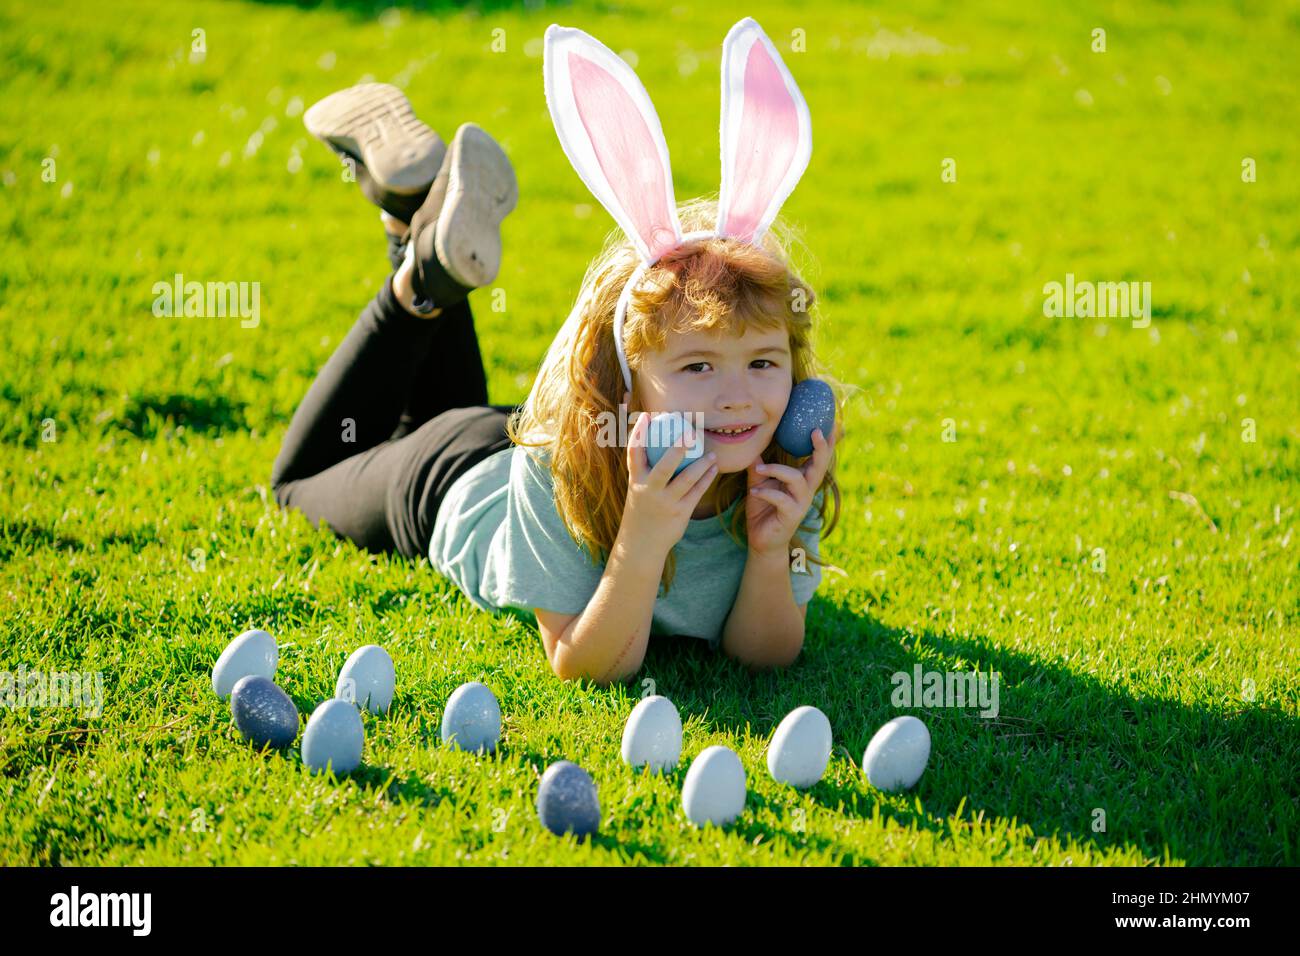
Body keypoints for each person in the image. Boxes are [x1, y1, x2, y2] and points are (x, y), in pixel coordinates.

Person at [273, 18, 844, 686]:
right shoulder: (565, 471)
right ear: (627, 382)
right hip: (447, 480)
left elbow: (763, 657)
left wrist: (772, 546)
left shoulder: (783, 461)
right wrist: (643, 535)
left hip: (503, 436)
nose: (738, 396)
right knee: (295, 486)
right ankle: (415, 286)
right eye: (697, 367)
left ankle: (416, 216)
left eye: (763, 363)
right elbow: (586, 664)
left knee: (431, 400)